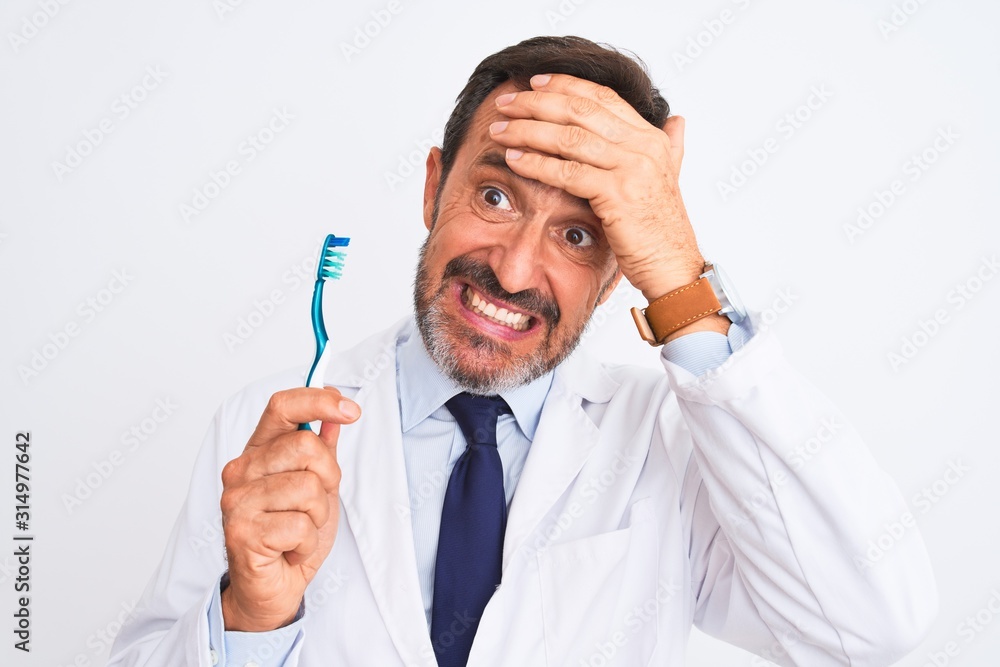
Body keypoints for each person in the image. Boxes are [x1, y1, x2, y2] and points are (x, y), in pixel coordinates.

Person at [109, 35, 937, 666]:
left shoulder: (679, 449)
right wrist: (249, 616)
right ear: (435, 186)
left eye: (578, 234)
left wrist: (681, 277)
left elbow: (870, 623)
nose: (512, 269)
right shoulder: (265, 435)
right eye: (496, 194)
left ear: (620, 270)